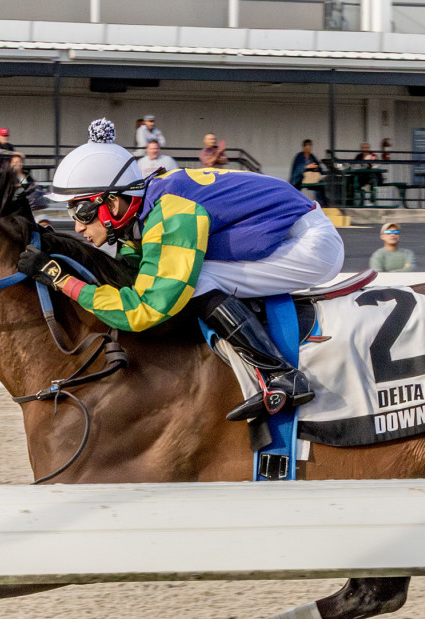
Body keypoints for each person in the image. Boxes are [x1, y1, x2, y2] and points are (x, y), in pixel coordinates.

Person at [17, 119, 343, 422]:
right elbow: (133, 277)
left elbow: (144, 309)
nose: (77, 227)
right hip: (292, 232)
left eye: (82, 212)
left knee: (197, 279)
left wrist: (62, 281)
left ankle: (281, 376)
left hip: (309, 243)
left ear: (112, 202)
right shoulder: (144, 208)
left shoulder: (170, 213)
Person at [289, 139, 327, 205]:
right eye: (307, 146)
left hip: (311, 178)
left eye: (310, 146)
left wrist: (315, 168)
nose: (308, 148)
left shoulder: (312, 156)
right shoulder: (299, 156)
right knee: (295, 188)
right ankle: (293, 203)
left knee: (321, 186)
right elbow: (297, 169)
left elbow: (318, 166)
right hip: (300, 178)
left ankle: (322, 203)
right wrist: (307, 167)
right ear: (304, 147)